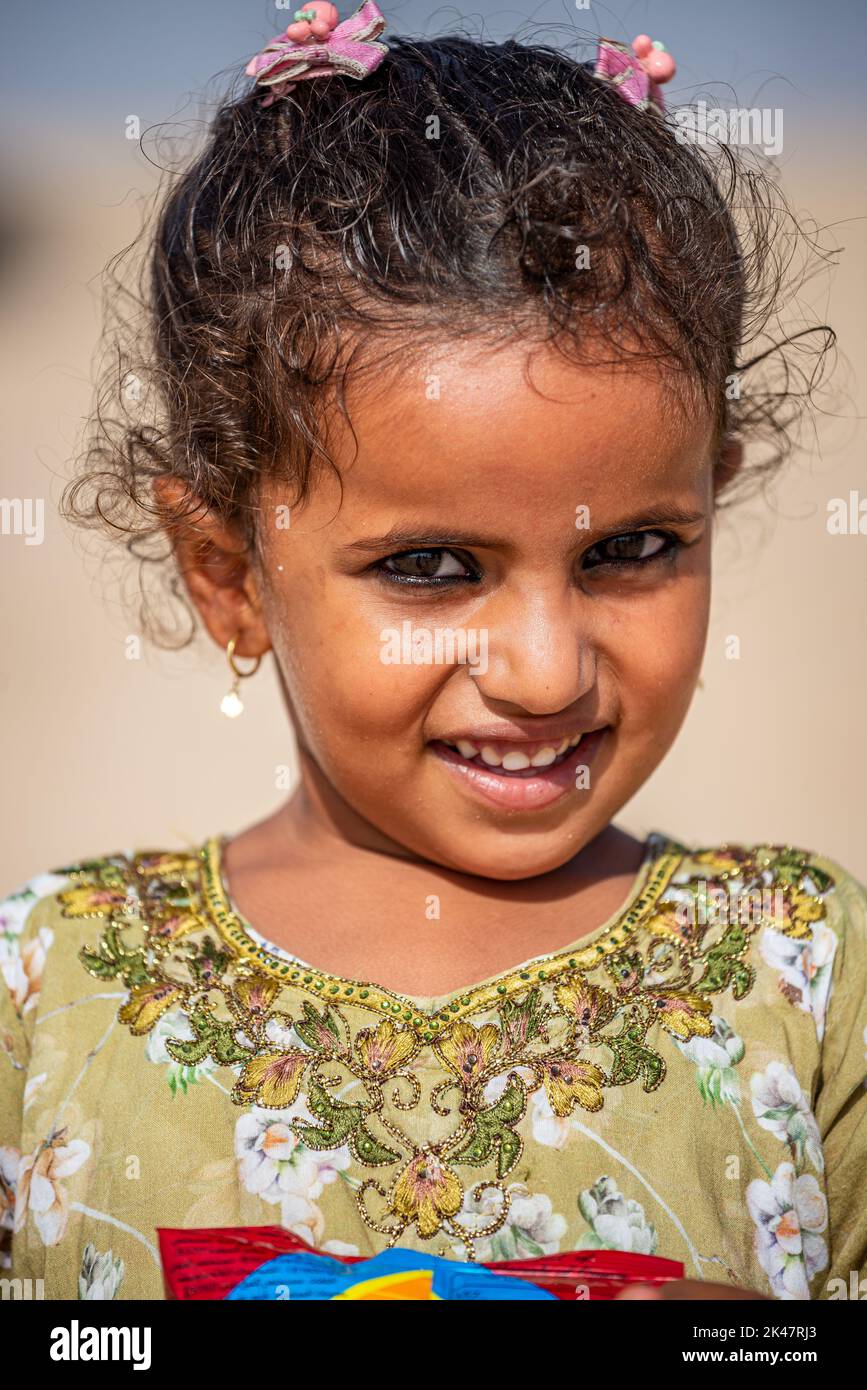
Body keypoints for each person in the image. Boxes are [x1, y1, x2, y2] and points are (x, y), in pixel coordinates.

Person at [2, 12, 864, 1301]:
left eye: (630, 547)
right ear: (229, 575)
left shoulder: (807, 971)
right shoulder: (45, 993)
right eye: (431, 568)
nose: (543, 671)